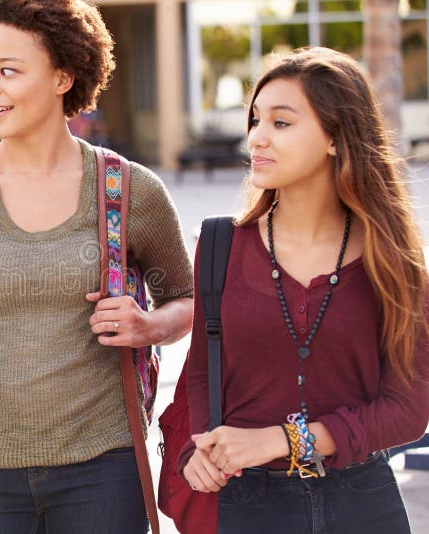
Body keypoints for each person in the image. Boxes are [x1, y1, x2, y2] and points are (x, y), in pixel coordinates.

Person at [0, 1, 194, 533]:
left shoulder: (129, 192)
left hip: (103, 469)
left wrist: (151, 326)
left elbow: (186, 299)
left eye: (8, 70)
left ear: (62, 76)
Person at [180, 47, 429, 533]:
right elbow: (201, 371)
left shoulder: (393, 261)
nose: (256, 138)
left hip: (363, 503)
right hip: (247, 502)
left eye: (281, 123)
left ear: (336, 137)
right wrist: (200, 449)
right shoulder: (219, 244)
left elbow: (410, 411)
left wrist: (287, 441)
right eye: (255, 120)